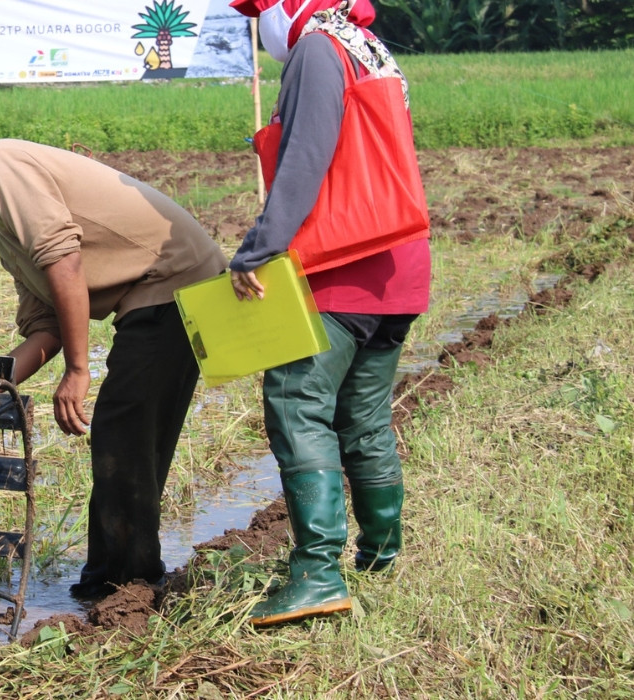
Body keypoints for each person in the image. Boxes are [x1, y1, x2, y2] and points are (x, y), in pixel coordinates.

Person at [0, 114, 227, 599]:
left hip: (175, 284)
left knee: (125, 432)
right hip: (159, 293)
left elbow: (63, 259)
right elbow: (44, 327)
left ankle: (128, 587)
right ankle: (114, 582)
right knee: (126, 433)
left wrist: (78, 369)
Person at [226, 0, 431, 626]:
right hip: (399, 268)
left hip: (344, 267)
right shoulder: (365, 44)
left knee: (296, 399)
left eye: (255, 13)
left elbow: (307, 156)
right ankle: (380, 556)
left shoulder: (318, 47)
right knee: (362, 417)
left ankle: (317, 573)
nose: (257, 29)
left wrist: (258, 249)